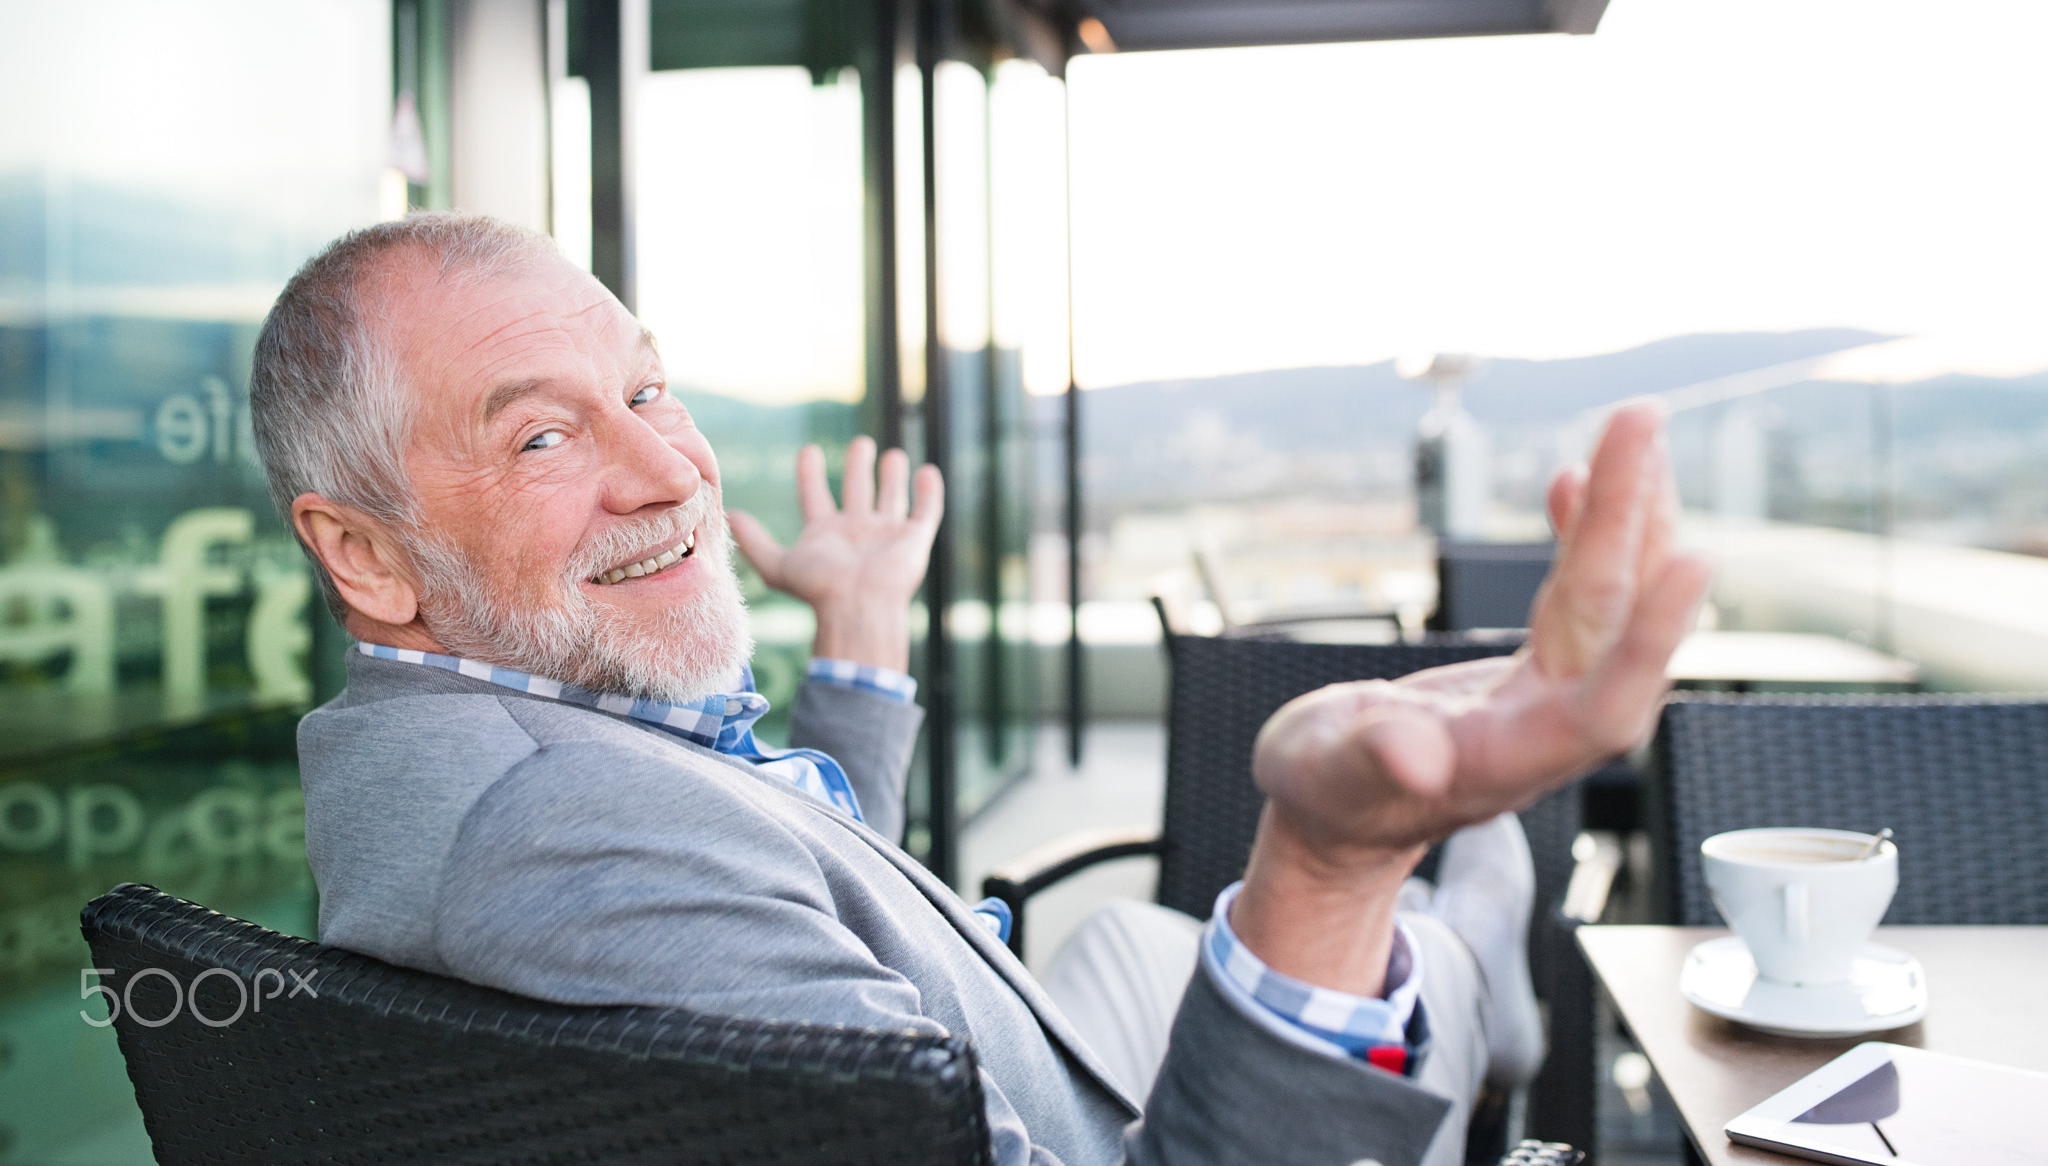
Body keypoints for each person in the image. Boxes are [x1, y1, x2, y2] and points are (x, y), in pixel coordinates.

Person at [253, 214, 1709, 1166]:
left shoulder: (439, 746)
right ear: (368, 553)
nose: (669, 469)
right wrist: (1330, 864)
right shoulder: (564, 841)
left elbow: (768, 863)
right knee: (1401, 951)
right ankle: (1468, 963)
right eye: (539, 443)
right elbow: (662, 862)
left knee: (1145, 939)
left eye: (642, 390)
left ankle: (1466, 951)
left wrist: (861, 635)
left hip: (1007, 1032)